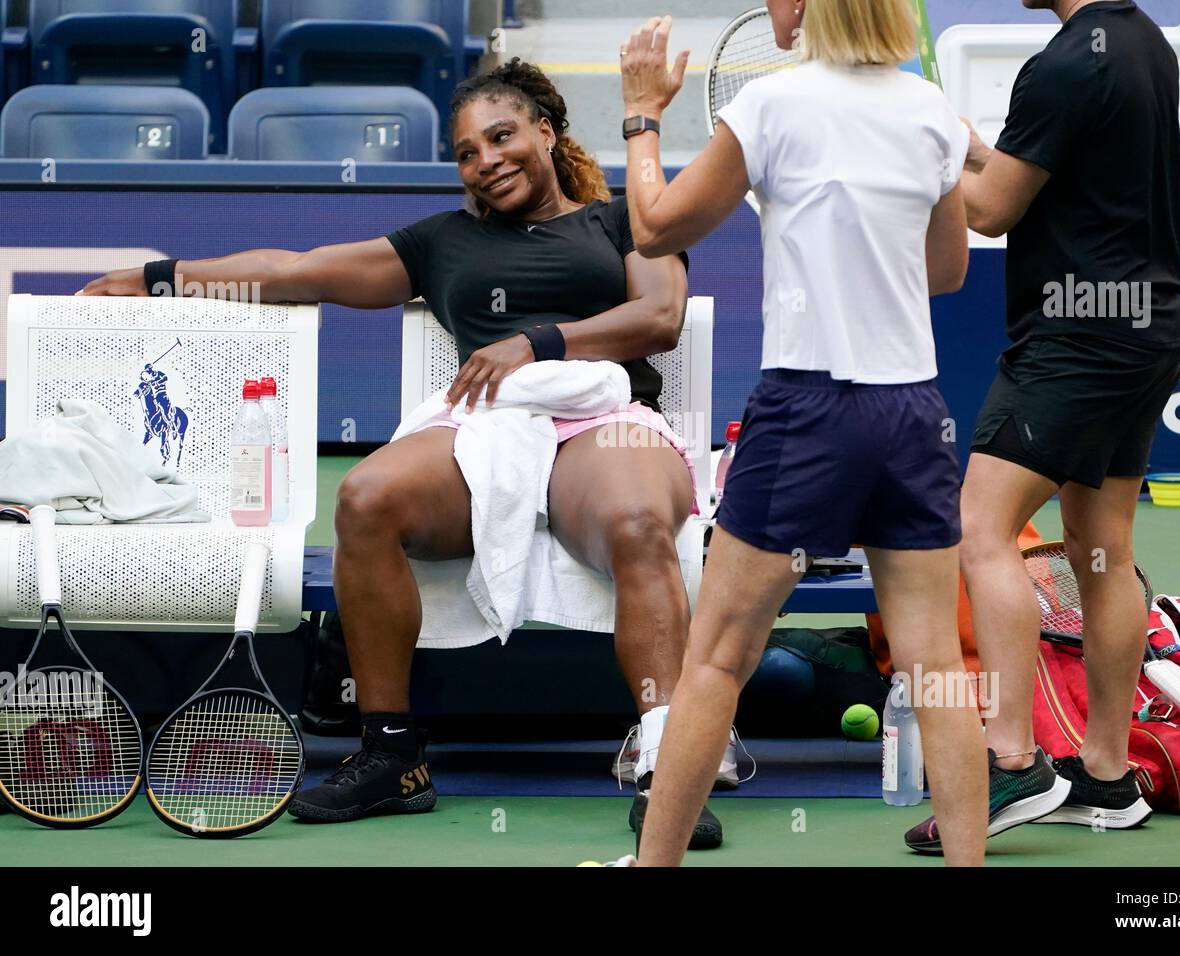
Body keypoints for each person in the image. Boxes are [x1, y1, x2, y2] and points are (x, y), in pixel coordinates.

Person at [79, 58, 730, 849]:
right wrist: (162, 276)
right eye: (466, 152)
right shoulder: (440, 242)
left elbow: (659, 315)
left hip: (603, 418)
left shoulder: (623, 219)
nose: (486, 161)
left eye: (502, 137)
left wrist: (536, 341)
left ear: (547, 134)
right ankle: (392, 755)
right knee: (365, 498)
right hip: (488, 424)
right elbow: (297, 271)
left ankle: (669, 769)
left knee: (635, 519)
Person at [615, 1, 988, 866]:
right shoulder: (931, 111)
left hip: (808, 409)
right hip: (912, 414)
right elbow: (947, 270)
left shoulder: (771, 108)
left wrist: (641, 118)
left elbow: (654, 224)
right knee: (936, 666)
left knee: (715, 662)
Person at [905, 0, 1180, 852]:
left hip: (1075, 342)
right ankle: (1106, 776)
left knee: (979, 531)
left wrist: (906, 151)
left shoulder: (1063, 62)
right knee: (1100, 549)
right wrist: (966, 145)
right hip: (1144, 332)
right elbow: (1040, 180)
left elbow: (991, 212)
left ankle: (1010, 755)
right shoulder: (1141, 42)